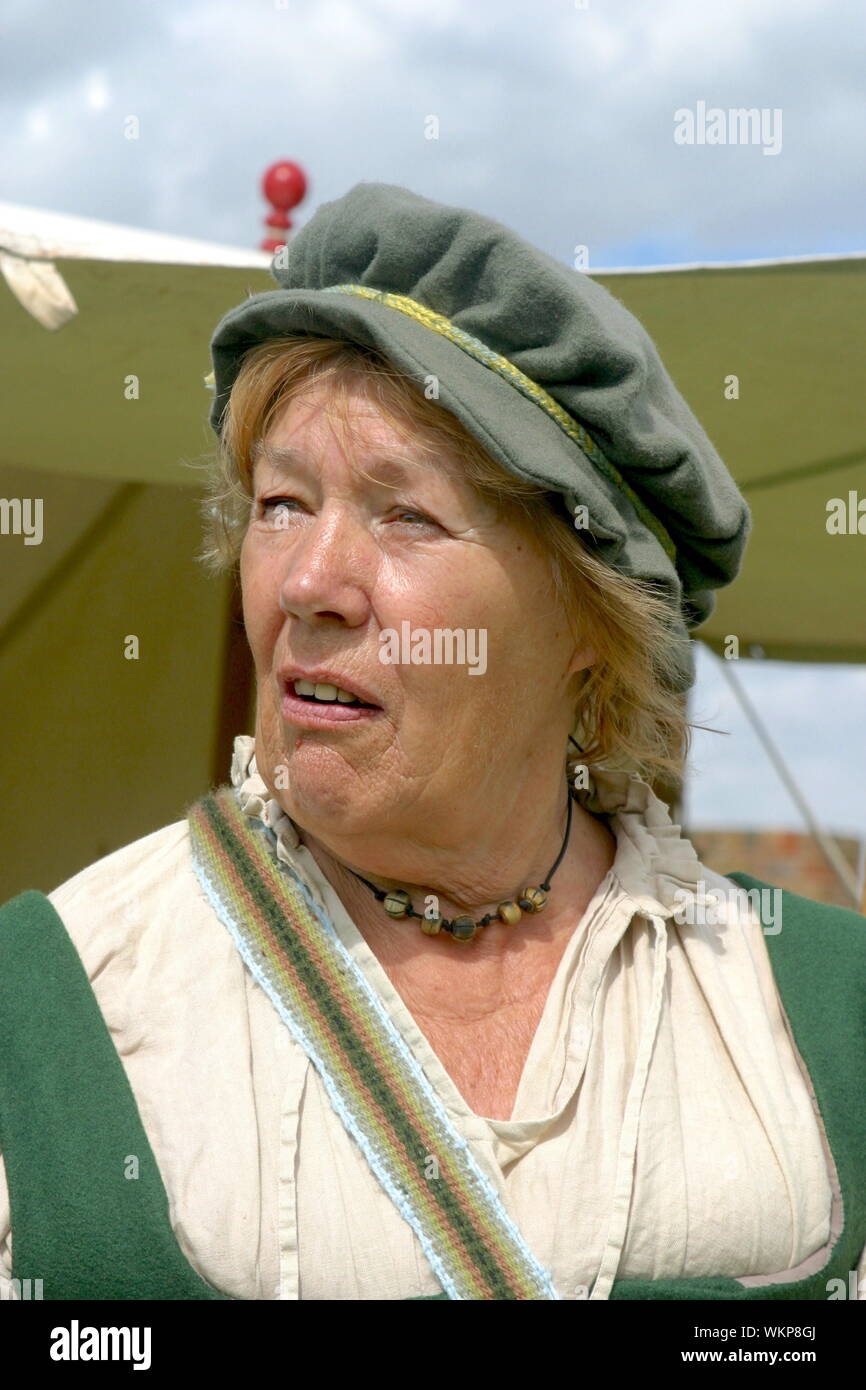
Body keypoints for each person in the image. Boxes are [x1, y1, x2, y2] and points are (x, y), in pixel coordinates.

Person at [0, 182, 863, 1302]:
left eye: (405, 514)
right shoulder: (50, 1009)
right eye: (280, 504)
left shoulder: (814, 1016)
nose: (308, 582)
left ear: (586, 624)